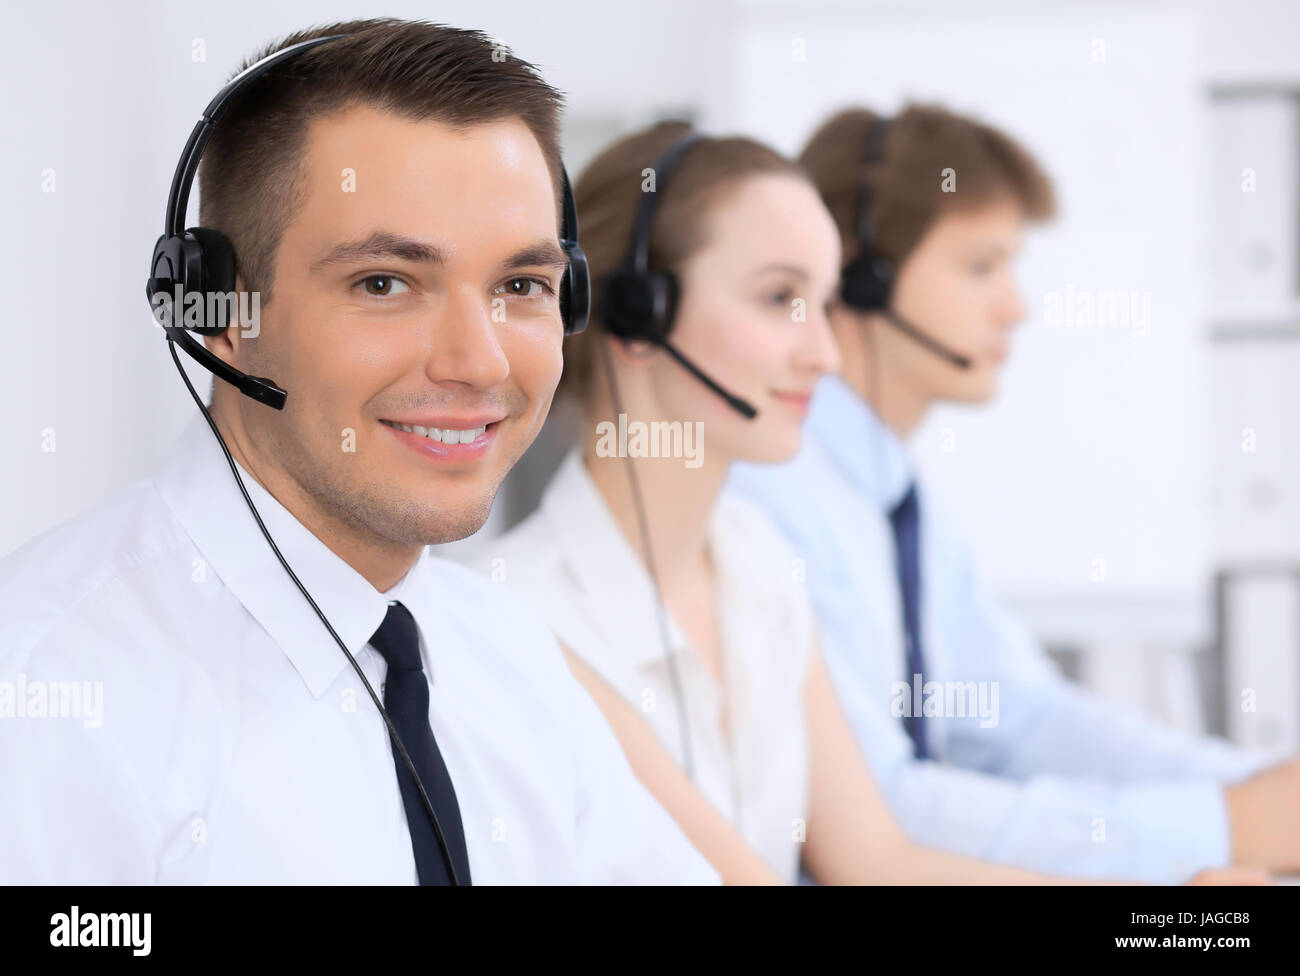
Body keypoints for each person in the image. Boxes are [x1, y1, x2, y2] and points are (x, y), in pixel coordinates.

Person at [0, 19, 717, 886]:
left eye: (521, 286)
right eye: (385, 284)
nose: (479, 362)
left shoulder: (507, 654)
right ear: (219, 312)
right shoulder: (48, 698)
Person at [471, 121, 1265, 885]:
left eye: (821, 303)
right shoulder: (519, 617)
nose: (822, 350)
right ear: (637, 310)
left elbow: (879, 863)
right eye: (780, 297)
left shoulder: (755, 561)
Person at [727, 104, 1299, 881]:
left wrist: (1244, 791)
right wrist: (1220, 828)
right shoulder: (769, 497)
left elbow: (1020, 717)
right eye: (980, 266)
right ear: (861, 277)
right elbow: (878, 811)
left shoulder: (900, 502)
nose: (1017, 305)